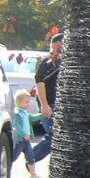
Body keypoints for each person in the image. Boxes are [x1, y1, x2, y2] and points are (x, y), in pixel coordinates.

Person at [30, 31, 62, 167]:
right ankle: (31, 157)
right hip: (49, 104)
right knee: (54, 136)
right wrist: (44, 105)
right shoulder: (47, 62)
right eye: (61, 43)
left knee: (57, 136)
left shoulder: (63, 61)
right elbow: (40, 83)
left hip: (58, 105)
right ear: (55, 44)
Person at [11, 89, 42, 178]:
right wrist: (24, 134)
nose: (28, 104)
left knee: (30, 157)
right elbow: (17, 126)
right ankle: (3, 170)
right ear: (19, 102)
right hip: (20, 141)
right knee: (13, 157)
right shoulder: (17, 113)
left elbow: (31, 118)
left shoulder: (25, 112)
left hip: (26, 141)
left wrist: (42, 115)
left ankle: (33, 175)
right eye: (26, 102)